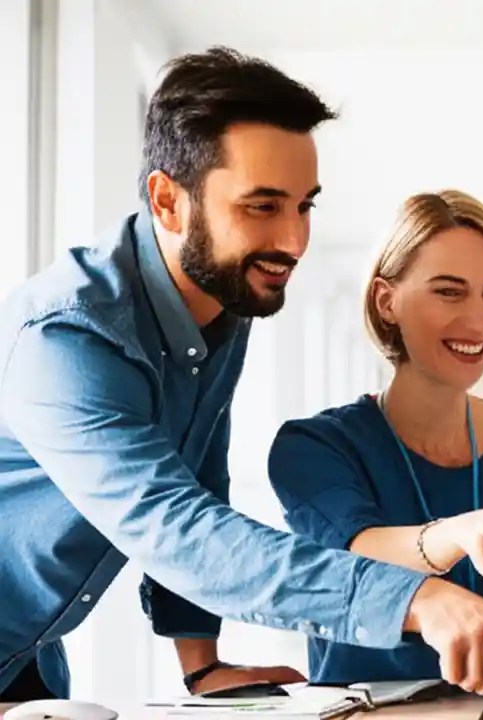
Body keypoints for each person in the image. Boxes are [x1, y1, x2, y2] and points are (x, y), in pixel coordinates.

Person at [0, 48, 454, 701]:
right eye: (263, 206)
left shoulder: (218, 302)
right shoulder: (69, 337)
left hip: (27, 655)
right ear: (168, 200)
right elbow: (172, 527)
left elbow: (196, 477)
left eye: (304, 206)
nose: (294, 241)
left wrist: (202, 662)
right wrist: (415, 599)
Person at [268, 190, 483, 691]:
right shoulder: (315, 446)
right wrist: (455, 534)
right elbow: (350, 555)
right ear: (386, 301)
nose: (480, 321)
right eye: (449, 292)